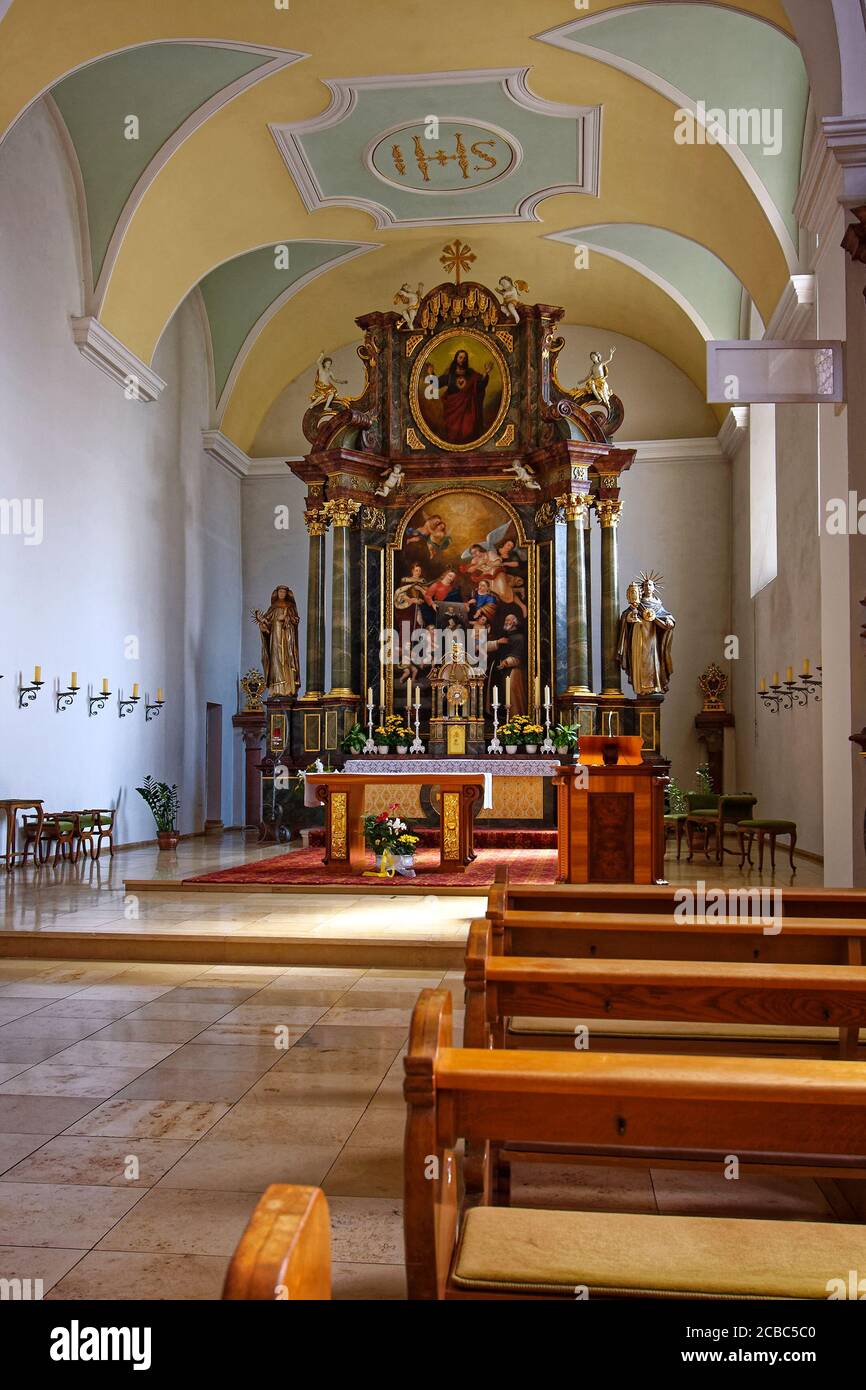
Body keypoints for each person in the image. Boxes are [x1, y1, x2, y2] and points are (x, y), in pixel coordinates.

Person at [431, 349, 493, 444]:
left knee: (468, 430)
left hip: (468, 409)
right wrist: (431, 373)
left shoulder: (471, 373)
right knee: (453, 434)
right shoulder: (450, 374)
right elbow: (437, 384)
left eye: (464, 358)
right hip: (453, 409)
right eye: (460, 357)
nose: (462, 360)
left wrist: (486, 373)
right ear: (456, 358)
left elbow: (480, 386)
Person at [254, 586, 301, 696]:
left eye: (284, 592)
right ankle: (277, 689)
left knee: (287, 660)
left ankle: (288, 688)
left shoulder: (290, 607)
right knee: (276, 661)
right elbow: (267, 625)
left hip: (287, 638)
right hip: (275, 640)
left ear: (286, 594)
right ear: (276, 593)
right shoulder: (273, 608)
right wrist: (263, 626)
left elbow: (296, 620)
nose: (282, 594)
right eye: (280, 591)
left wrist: (286, 618)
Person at [487, 613, 527, 714]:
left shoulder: (519, 637)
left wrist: (506, 662)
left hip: (513, 671)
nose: (506, 622)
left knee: (511, 694)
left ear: (514, 622)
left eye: (508, 620)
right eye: (505, 620)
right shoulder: (504, 636)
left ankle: (515, 718)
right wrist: (497, 643)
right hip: (500, 671)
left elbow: (518, 655)